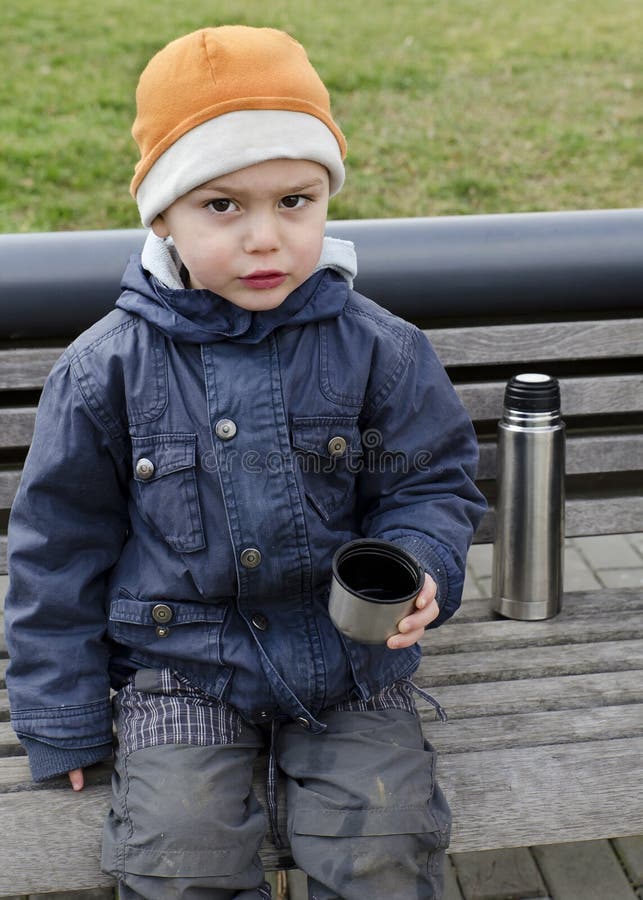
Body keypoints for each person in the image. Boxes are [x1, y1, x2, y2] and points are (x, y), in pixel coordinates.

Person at [4, 25, 486, 900]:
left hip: (350, 667)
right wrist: (63, 715)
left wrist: (422, 565)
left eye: (295, 201)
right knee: (178, 853)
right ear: (162, 215)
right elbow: (56, 547)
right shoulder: (104, 368)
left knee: (384, 844)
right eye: (222, 206)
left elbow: (431, 482)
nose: (266, 238)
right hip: (177, 668)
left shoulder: (382, 350)